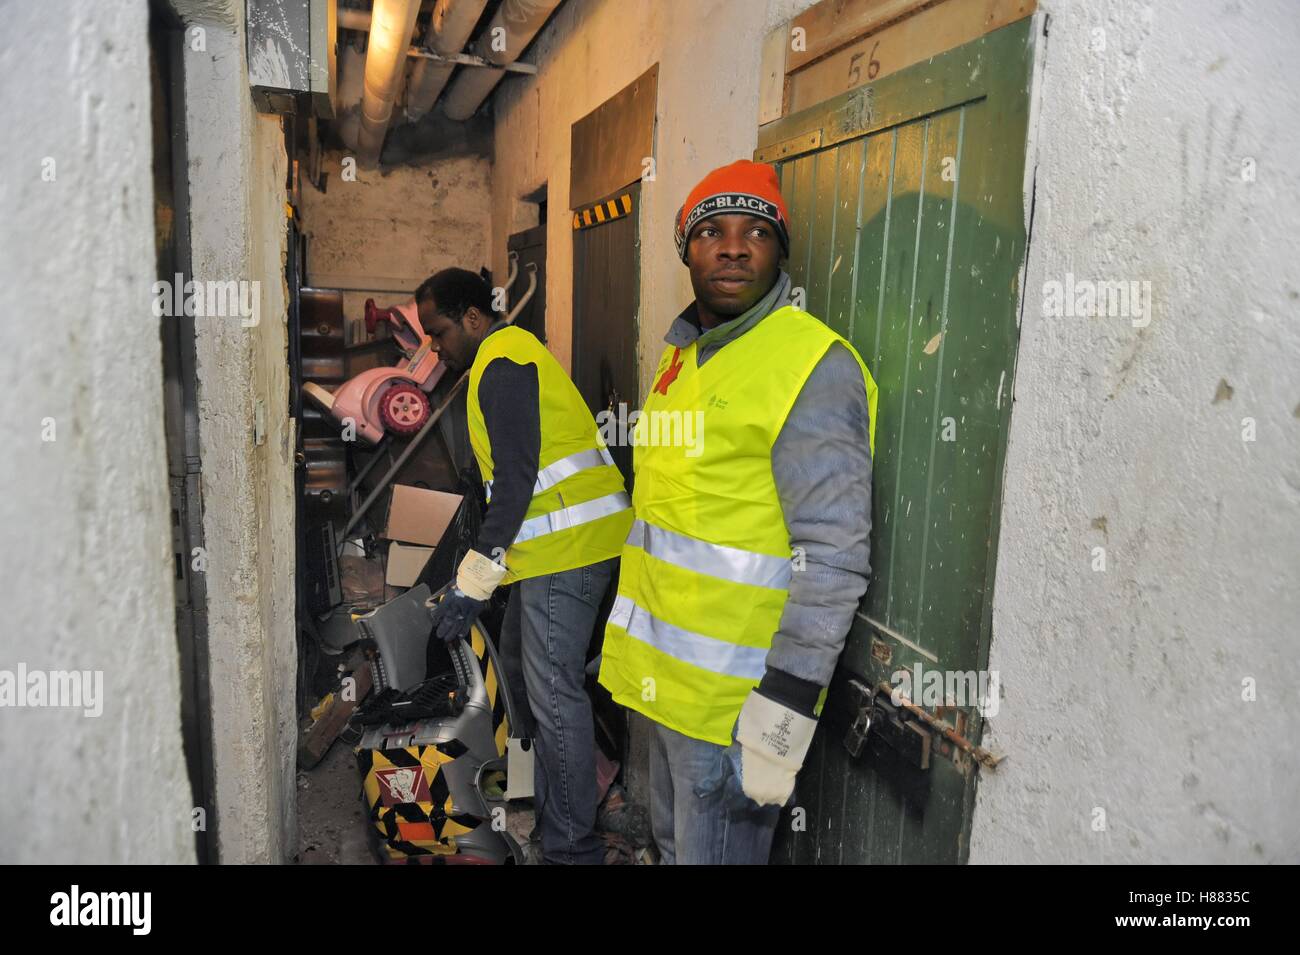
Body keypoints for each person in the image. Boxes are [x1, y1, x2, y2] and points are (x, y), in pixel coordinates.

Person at [597, 160, 878, 864]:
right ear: (684, 248)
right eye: (711, 231)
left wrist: (782, 708)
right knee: (670, 846)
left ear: (781, 250)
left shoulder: (810, 366)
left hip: (736, 708)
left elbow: (834, 555)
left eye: (757, 231)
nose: (732, 246)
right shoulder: (683, 356)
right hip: (667, 692)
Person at [418, 268, 632, 864]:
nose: (435, 348)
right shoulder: (500, 361)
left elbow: (514, 482)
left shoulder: (504, 360)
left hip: (570, 551)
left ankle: (571, 846)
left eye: (438, 333)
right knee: (515, 668)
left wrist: (473, 584)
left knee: (553, 693)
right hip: (549, 551)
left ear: (472, 318)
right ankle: (533, 792)